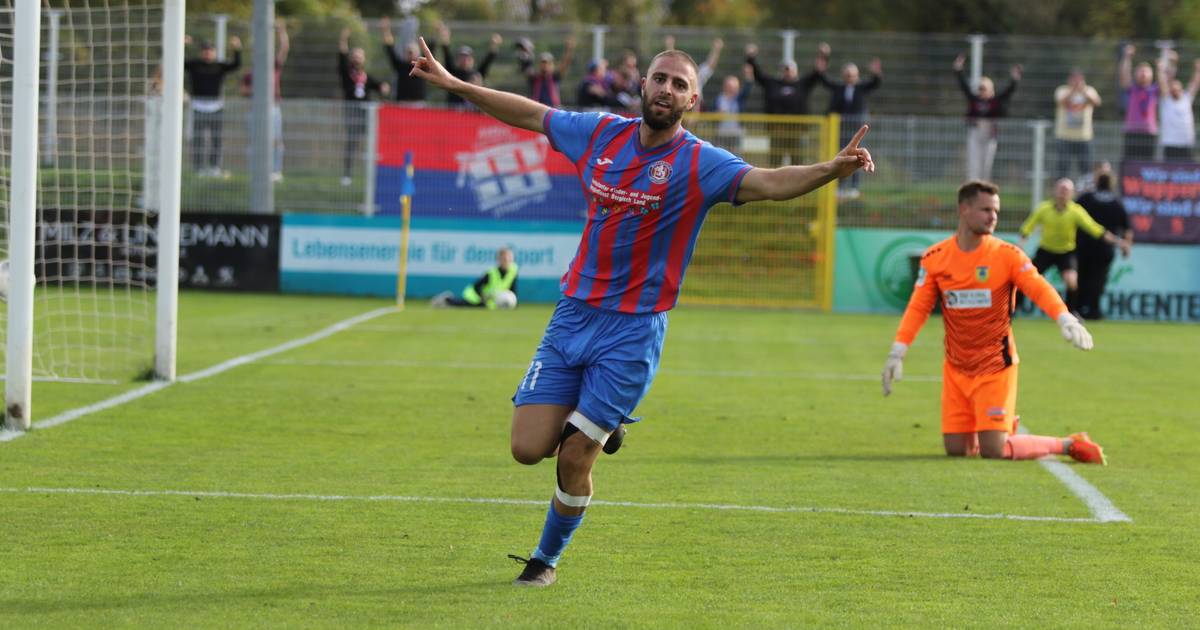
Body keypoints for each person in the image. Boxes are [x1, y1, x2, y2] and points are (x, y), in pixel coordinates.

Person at [410, 36, 874, 587]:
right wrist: (456, 84)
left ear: (692, 102)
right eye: (661, 78)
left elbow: (770, 183)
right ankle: (603, 425)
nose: (667, 89)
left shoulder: (700, 163)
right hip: (572, 316)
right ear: (644, 84)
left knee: (574, 455)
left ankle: (545, 560)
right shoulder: (601, 133)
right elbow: (531, 114)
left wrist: (831, 169)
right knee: (525, 448)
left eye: (680, 84)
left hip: (632, 333)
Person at [881, 180, 1107, 465]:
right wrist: (897, 352)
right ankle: (999, 424)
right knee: (956, 450)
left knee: (993, 450)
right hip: (956, 367)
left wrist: (1065, 318)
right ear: (964, 209)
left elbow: (1038, 287)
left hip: (995, 366)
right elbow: (918, 307)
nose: (993, 217)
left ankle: (1067, 444)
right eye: (986, 209)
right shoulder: (935, 259)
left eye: (996, 210)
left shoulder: (1006, 255)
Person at [1018, 178, 1129, 312]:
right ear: (1054, 191)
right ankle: (1013, 309)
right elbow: (1028, 227)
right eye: (1061, 189)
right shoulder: (1044, 208)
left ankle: (1070, 313)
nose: (1063, 193)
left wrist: (1119, 242)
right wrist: (1021, 244)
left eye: (1066, 190)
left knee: (1071, 281)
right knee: (1027, 279)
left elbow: (1096, 230)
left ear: (1072, 194)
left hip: (1066, 252)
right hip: (1045, 250)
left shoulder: (1076, 211)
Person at [818, 56, 882, 199]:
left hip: (857, 130)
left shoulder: (861, 88)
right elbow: (825, 82)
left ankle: (854, 187)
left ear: (857, 76)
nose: (849, 77)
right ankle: (840, 187)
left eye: (852, 75)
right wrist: (822, 68)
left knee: (859, 158)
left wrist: (876, 73)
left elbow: (875, 83)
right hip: (840, 130)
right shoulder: (839, 88)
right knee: (841, 158)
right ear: (843, 76)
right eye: (847, 75)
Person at [1075, 172, 1133, 320]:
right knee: (1098, 280)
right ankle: (1094, 310)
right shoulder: (1116, 203)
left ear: (1097, 182)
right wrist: (1126, 246)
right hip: (1105, 248)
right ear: (1111, 184)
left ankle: (1078, 308)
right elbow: (1127, 228)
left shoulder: (1086, 198)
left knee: (1082, 278)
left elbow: (1072, 213)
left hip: (1084, 246)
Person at [954, 54, 1020, 182]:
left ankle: (984, 188)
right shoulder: (974, 100)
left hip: (989, 135)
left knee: (986, 166)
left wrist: (1015, 79)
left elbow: (1008, 93)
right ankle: (973, 185)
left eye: (984, 89)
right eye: (980, 88)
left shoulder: (994, 102)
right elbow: (964, 86)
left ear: (991, 90)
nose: (981, 91)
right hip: (975, 133)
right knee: (974, 165)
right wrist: (958, 70)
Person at [337, 27, 390, 187]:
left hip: (366, 113)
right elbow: (341, 56)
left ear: (364, 59)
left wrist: (383, 87)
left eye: (359, 55)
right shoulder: (346, 73)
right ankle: (347, 175)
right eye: (354, 55)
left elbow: (378, 85)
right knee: (352, 143)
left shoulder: (365, 76)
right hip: (351, 111)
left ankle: (371, 173)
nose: (357, 58)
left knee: (371, 142)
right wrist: (343, 39)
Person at [184, 34, 242, 177]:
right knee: (198, 138)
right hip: (198, 106)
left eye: (210, 50)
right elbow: (179, 61)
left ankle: (214, 167)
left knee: (216, 139)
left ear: (214, 52)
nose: (208, 52)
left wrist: (237, 49)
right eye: (205, 50)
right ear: (201, 52)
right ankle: (199, 169)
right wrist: (182, 44)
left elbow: (236, 65)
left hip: (216, 107)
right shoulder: (194, 65)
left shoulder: (220, 66)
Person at [239, 22, 288, 182]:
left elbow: (284, 49)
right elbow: (243, 90)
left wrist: (281, 32)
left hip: (273, 108)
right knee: (255, 140)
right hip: (256, 109)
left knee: (276, 141)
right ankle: (255, 171)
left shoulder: (274, 67)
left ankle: (275, 171)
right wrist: (259, 91)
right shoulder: (250, 74)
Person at [745, 42, 828, 115]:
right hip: (775, 127)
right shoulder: (772, 84)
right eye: (786, 69)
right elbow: (758, 74)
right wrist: (751, 58)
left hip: (798, 128)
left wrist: (823, 56)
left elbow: (817, 72)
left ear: (796, 70)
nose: (788, 72)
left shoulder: (803, 84)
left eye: (790, 69)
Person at [1053, 69, 1102, 181]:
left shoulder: (1089, 90)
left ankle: (1085, 194)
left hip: (1084, 137)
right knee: (1063, 169)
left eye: (1078, 79)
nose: (1076, 82)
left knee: (1086, 170)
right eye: (1073, 79)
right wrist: (1073, 90)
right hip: (1064, 137)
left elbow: (1097, 102)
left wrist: (1083, 91)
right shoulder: (1062, 90)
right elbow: (1060, 100)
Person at [431, 247, 519, 309]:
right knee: (467, 305)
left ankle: (448, 301)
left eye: (509, 258)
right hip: (475, 295)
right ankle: (447, 299)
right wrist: (483, 297)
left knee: (483, 307)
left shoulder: (513, 270)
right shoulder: (491, 273)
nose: (507, 261)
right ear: (499, 259)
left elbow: (512, 289)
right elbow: (476, 286)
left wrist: (513, 301)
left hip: (492, 299)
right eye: (504, 259)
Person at [436, 24, 498, 107]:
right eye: (462, 57)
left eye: (467, 57)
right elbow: (447, 55)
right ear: (458, 59)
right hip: (453, 111)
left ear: (472, 60)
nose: (464, 60)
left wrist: (494, 45)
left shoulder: (476, 74)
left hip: (471, 113)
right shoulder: (452, 72)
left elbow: (487, 62)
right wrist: (445, 38)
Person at [1157, 51, 1200, 162]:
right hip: (1170, 143)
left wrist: (1198, 70)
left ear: (1181, 89)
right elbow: (1162, 82)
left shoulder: (1187, 98)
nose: (1175, 90)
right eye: (1172, 89)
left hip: (1186, 142)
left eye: (1177, 89)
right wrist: (1160, 70)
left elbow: (1195, 83)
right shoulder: (1166, 100)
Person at [1118, 44, 1158, 161]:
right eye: (1140, 70)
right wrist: (1127, 57)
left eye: (1146, 71)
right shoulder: (1132, 89)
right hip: (1132, 132)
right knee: (1129, 164)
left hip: (1149, 133)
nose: (1143, 73)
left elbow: (1167, 79)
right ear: (1135, 74)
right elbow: (1124, 76)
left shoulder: (1155, 90)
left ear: (1152, 75)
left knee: (1147, 165)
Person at [380, 17, 427, 103]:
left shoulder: (423, 66)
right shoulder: (400, 66)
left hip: (419, 104)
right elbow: (390, 49)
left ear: (418, 53)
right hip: (402, 104)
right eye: (408, 52)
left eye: (412, 51)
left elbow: (431, 48)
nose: (410, 54)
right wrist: (386, 30)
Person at [523, 37, 576, 107]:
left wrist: (569, 50)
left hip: (553, 110)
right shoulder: (534, 78)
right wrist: (527, 53)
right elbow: (527, 69)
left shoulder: (554, 77)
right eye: (543, 62)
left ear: (552, 65)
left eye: (548, 63)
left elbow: (565, 65)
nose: (545, 65)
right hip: (537, 110)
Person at [712, 68, 754, 152]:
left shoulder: (739, 98)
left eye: (735, 87)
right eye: (730, 86)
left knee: (736, 157)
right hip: (722, 134)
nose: (733, 89)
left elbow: (748, 88)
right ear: (725, 87)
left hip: (736, 134)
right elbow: (711, 113)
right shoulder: (719, 99)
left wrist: (749, 75)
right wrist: (717, 113)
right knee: (721, 156)